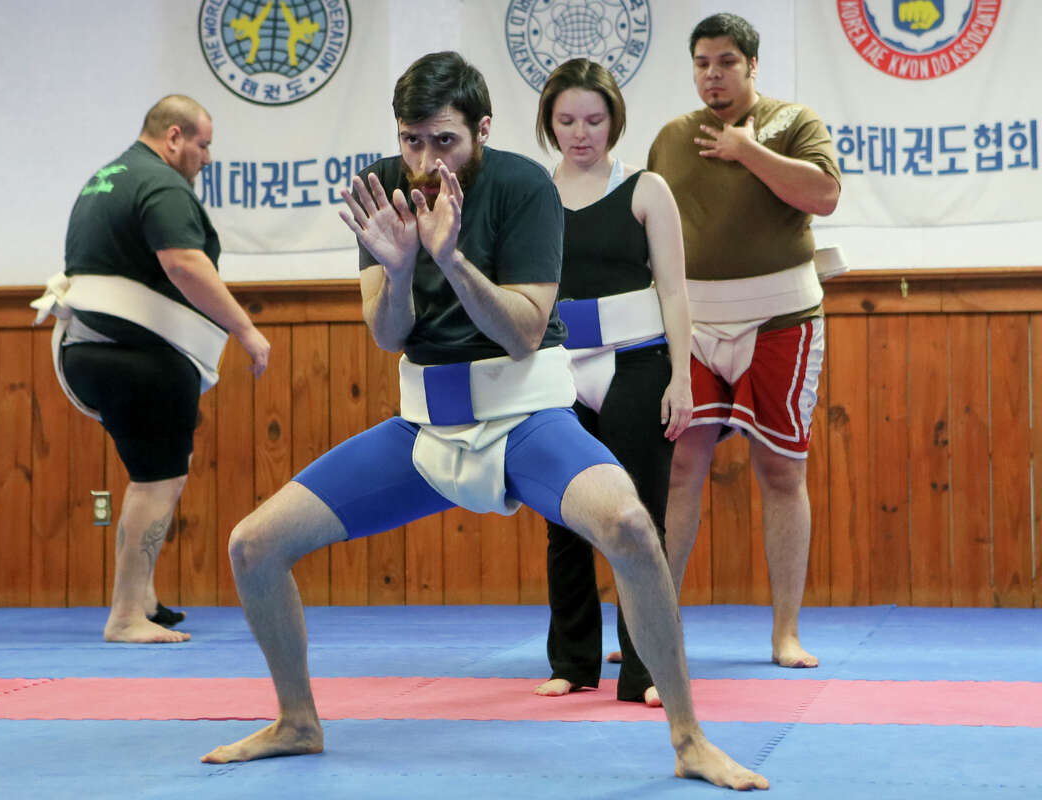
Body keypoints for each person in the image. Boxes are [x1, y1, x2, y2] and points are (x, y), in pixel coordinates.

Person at [201, 51, 767, 791]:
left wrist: (454, 261)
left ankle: (689, 737)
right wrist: (401, 268)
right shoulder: (384, 190)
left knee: (629, 526)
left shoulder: (524, 187)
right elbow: (386, 333)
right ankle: (297, 720)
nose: (426, 159)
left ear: (483, 130)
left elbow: (527, 330)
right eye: (412, 140)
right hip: (424, 428)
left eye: (444, 141)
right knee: (252, 546)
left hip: (524, 417)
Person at [31, 95, 271, 644]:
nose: (207, 158)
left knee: (153, 475)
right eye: (203, 144)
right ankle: (124, 616)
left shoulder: (107, 178)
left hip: (86, 348)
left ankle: (142, 598)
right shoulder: (161, 184)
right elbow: (184, 263)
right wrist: (245, 329)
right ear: (174, 137)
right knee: (157, 480)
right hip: (136, 356)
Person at [647, 14, 841, 668]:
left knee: (781, 469)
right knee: (680, 464)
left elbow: (824, 196)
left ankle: (786, 630)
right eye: (702, 62)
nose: (712, 74)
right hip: (693, 325)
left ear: (752, 66)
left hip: (780, 320)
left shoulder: (795, 123)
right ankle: (655, 624)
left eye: (726, 61)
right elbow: (644, 230)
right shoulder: (671, 139)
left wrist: (747, 149)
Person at [530, 59, 692, 708]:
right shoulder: (535, 196)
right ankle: (572, 660)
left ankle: (648, 669)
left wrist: (683, 376)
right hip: (558, 368)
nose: (581, 133)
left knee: (639, 519)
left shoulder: (647, 189)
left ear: (615, 120)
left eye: (594, 120)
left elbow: (675, 290)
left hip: (639, 361)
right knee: (562, 518)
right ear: (549, 123)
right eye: (566, 120)